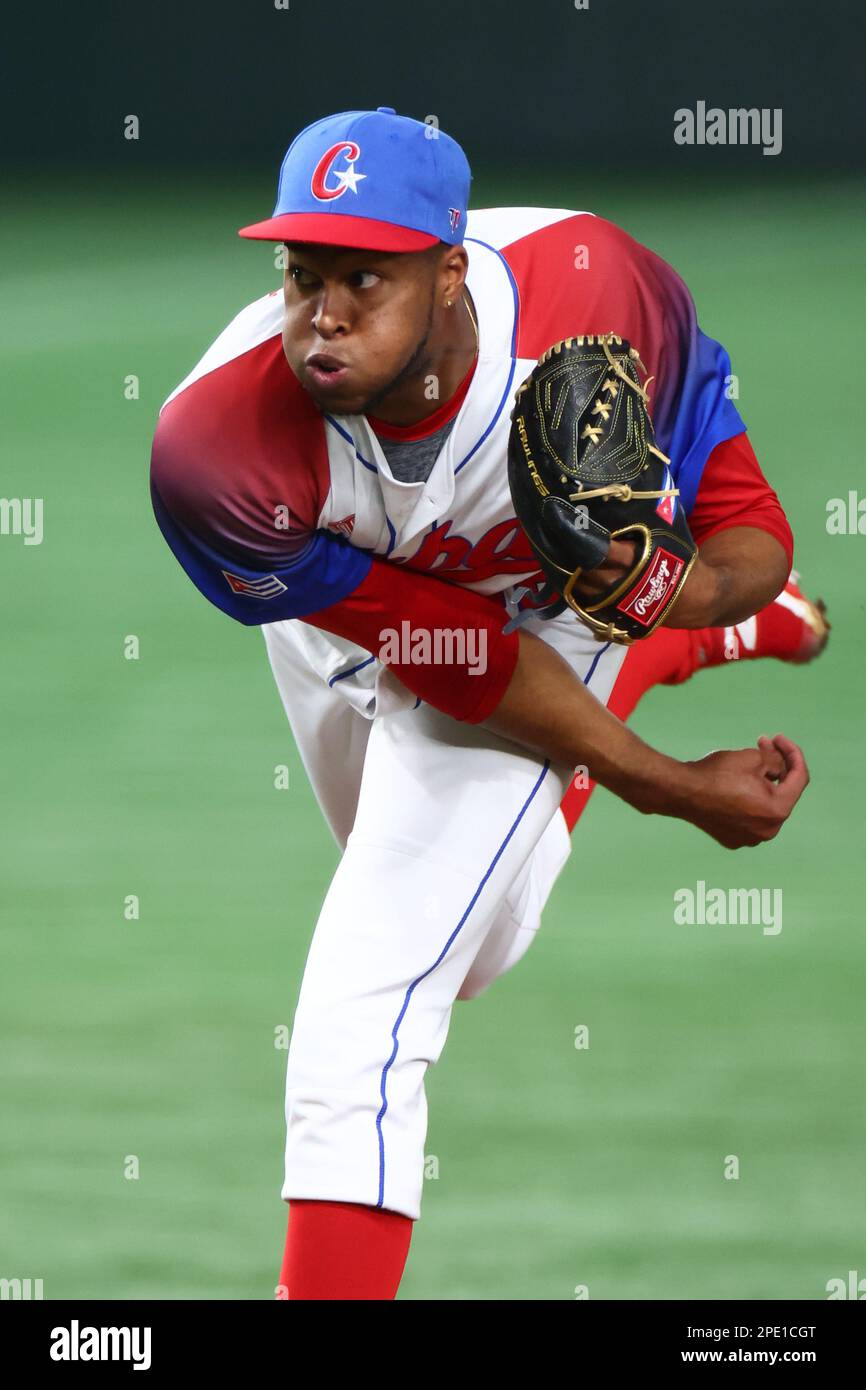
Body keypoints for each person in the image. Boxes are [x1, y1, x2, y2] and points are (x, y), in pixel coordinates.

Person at [150, 107, 810, 1299]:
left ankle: (639, 652)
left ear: (450, 273)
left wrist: (668, 595)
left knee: (365, 1007)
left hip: (541, 613)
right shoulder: (219, 450)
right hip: (345, 598)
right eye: (302, 273)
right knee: (467, 953)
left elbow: (750, 535)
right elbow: (445, 652)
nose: (324, 313)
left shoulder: (599, 297)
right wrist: (655, 781)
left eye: (365, 275)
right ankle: (636, 678)